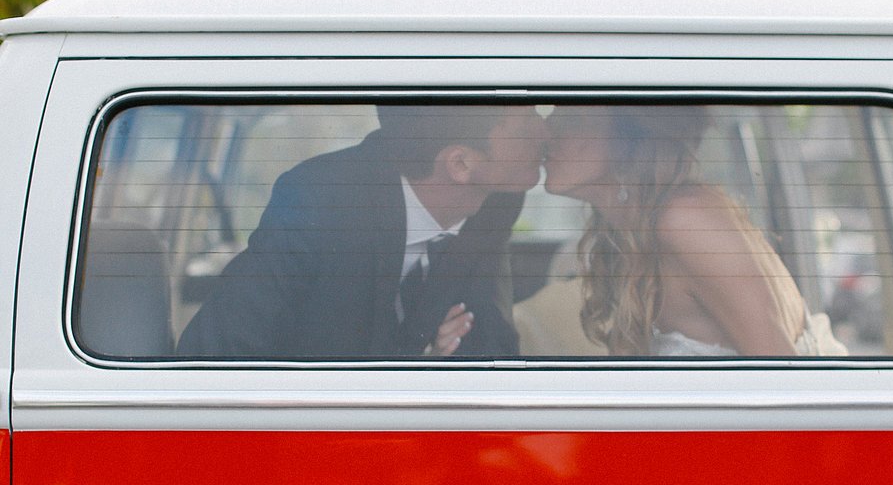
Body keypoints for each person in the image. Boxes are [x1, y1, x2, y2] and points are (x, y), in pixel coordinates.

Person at [177, 103, 546, 360]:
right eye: (526, 122)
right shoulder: (322, 201)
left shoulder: (495, 200)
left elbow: (487, 338)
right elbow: (215, 351)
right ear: (461, 163)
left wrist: (442, 355)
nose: (544, 130)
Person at [541, 104, 845, 358]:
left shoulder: (685, 219)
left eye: (571, 119)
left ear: (630, 140)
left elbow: (785, 384)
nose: (547, 130)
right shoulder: (630, 232)